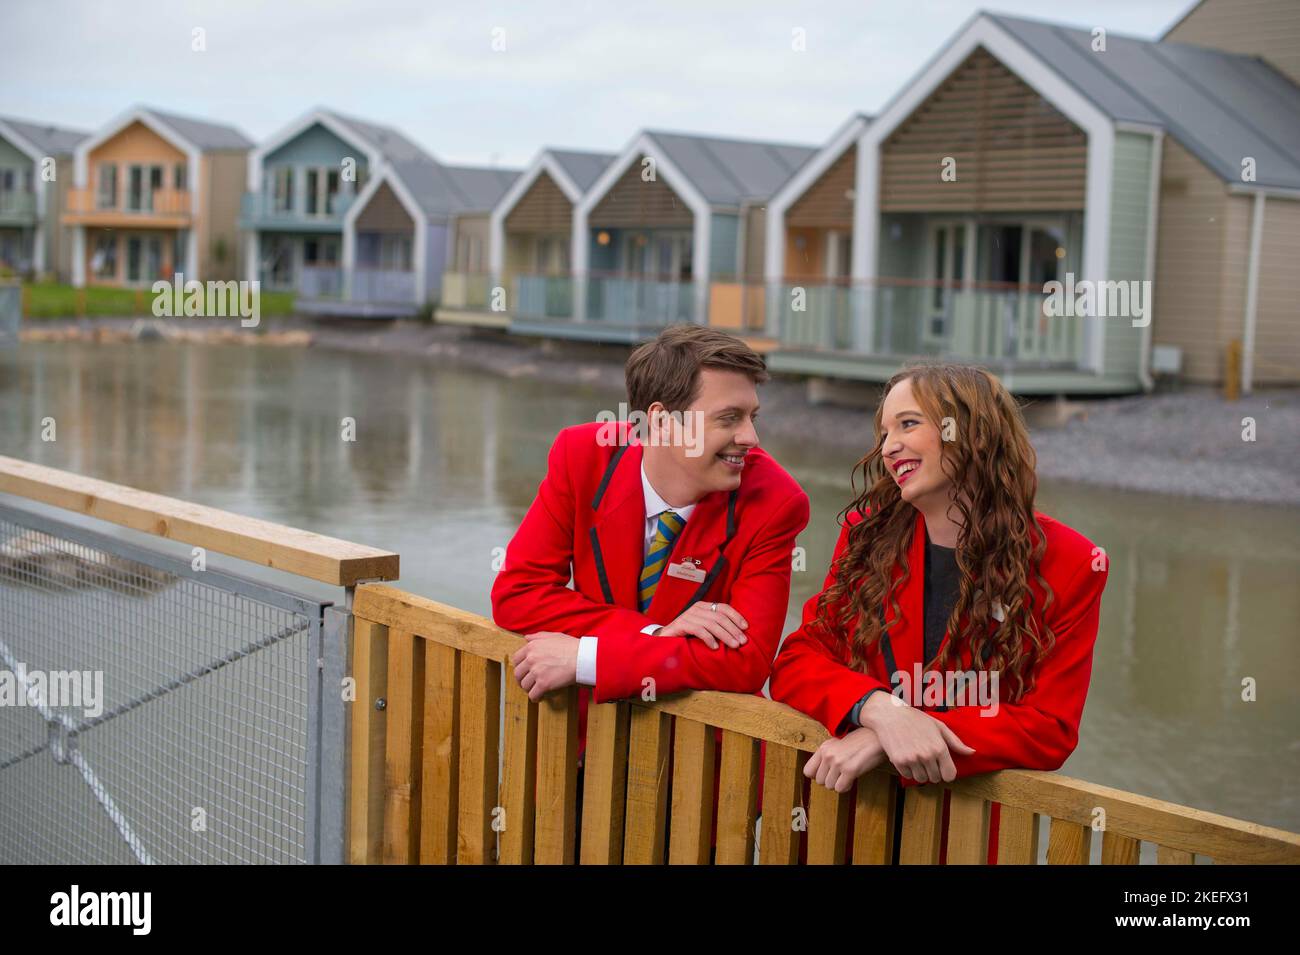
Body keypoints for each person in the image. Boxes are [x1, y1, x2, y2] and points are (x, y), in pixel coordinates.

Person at [770, 363, 1108, 808]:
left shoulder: (1073, 562)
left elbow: (1049, 727)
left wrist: (897, 733)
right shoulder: (865, 533)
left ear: (975, 433)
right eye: (885, 432)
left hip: (961, 825)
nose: (889, 448)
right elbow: (797, 660)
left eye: (908, 424)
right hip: (850, 813)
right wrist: (880, 712)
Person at [492, 324, 810, 752]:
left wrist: (588, 658)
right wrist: (656, 633)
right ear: (661, 421)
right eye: (729, 418)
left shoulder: (776, 502)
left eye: (752, 416)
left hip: (696, 770)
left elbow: (746, 662)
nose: (750, 437)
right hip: (577, 747)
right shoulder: (582, 455)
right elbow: (517, 593)